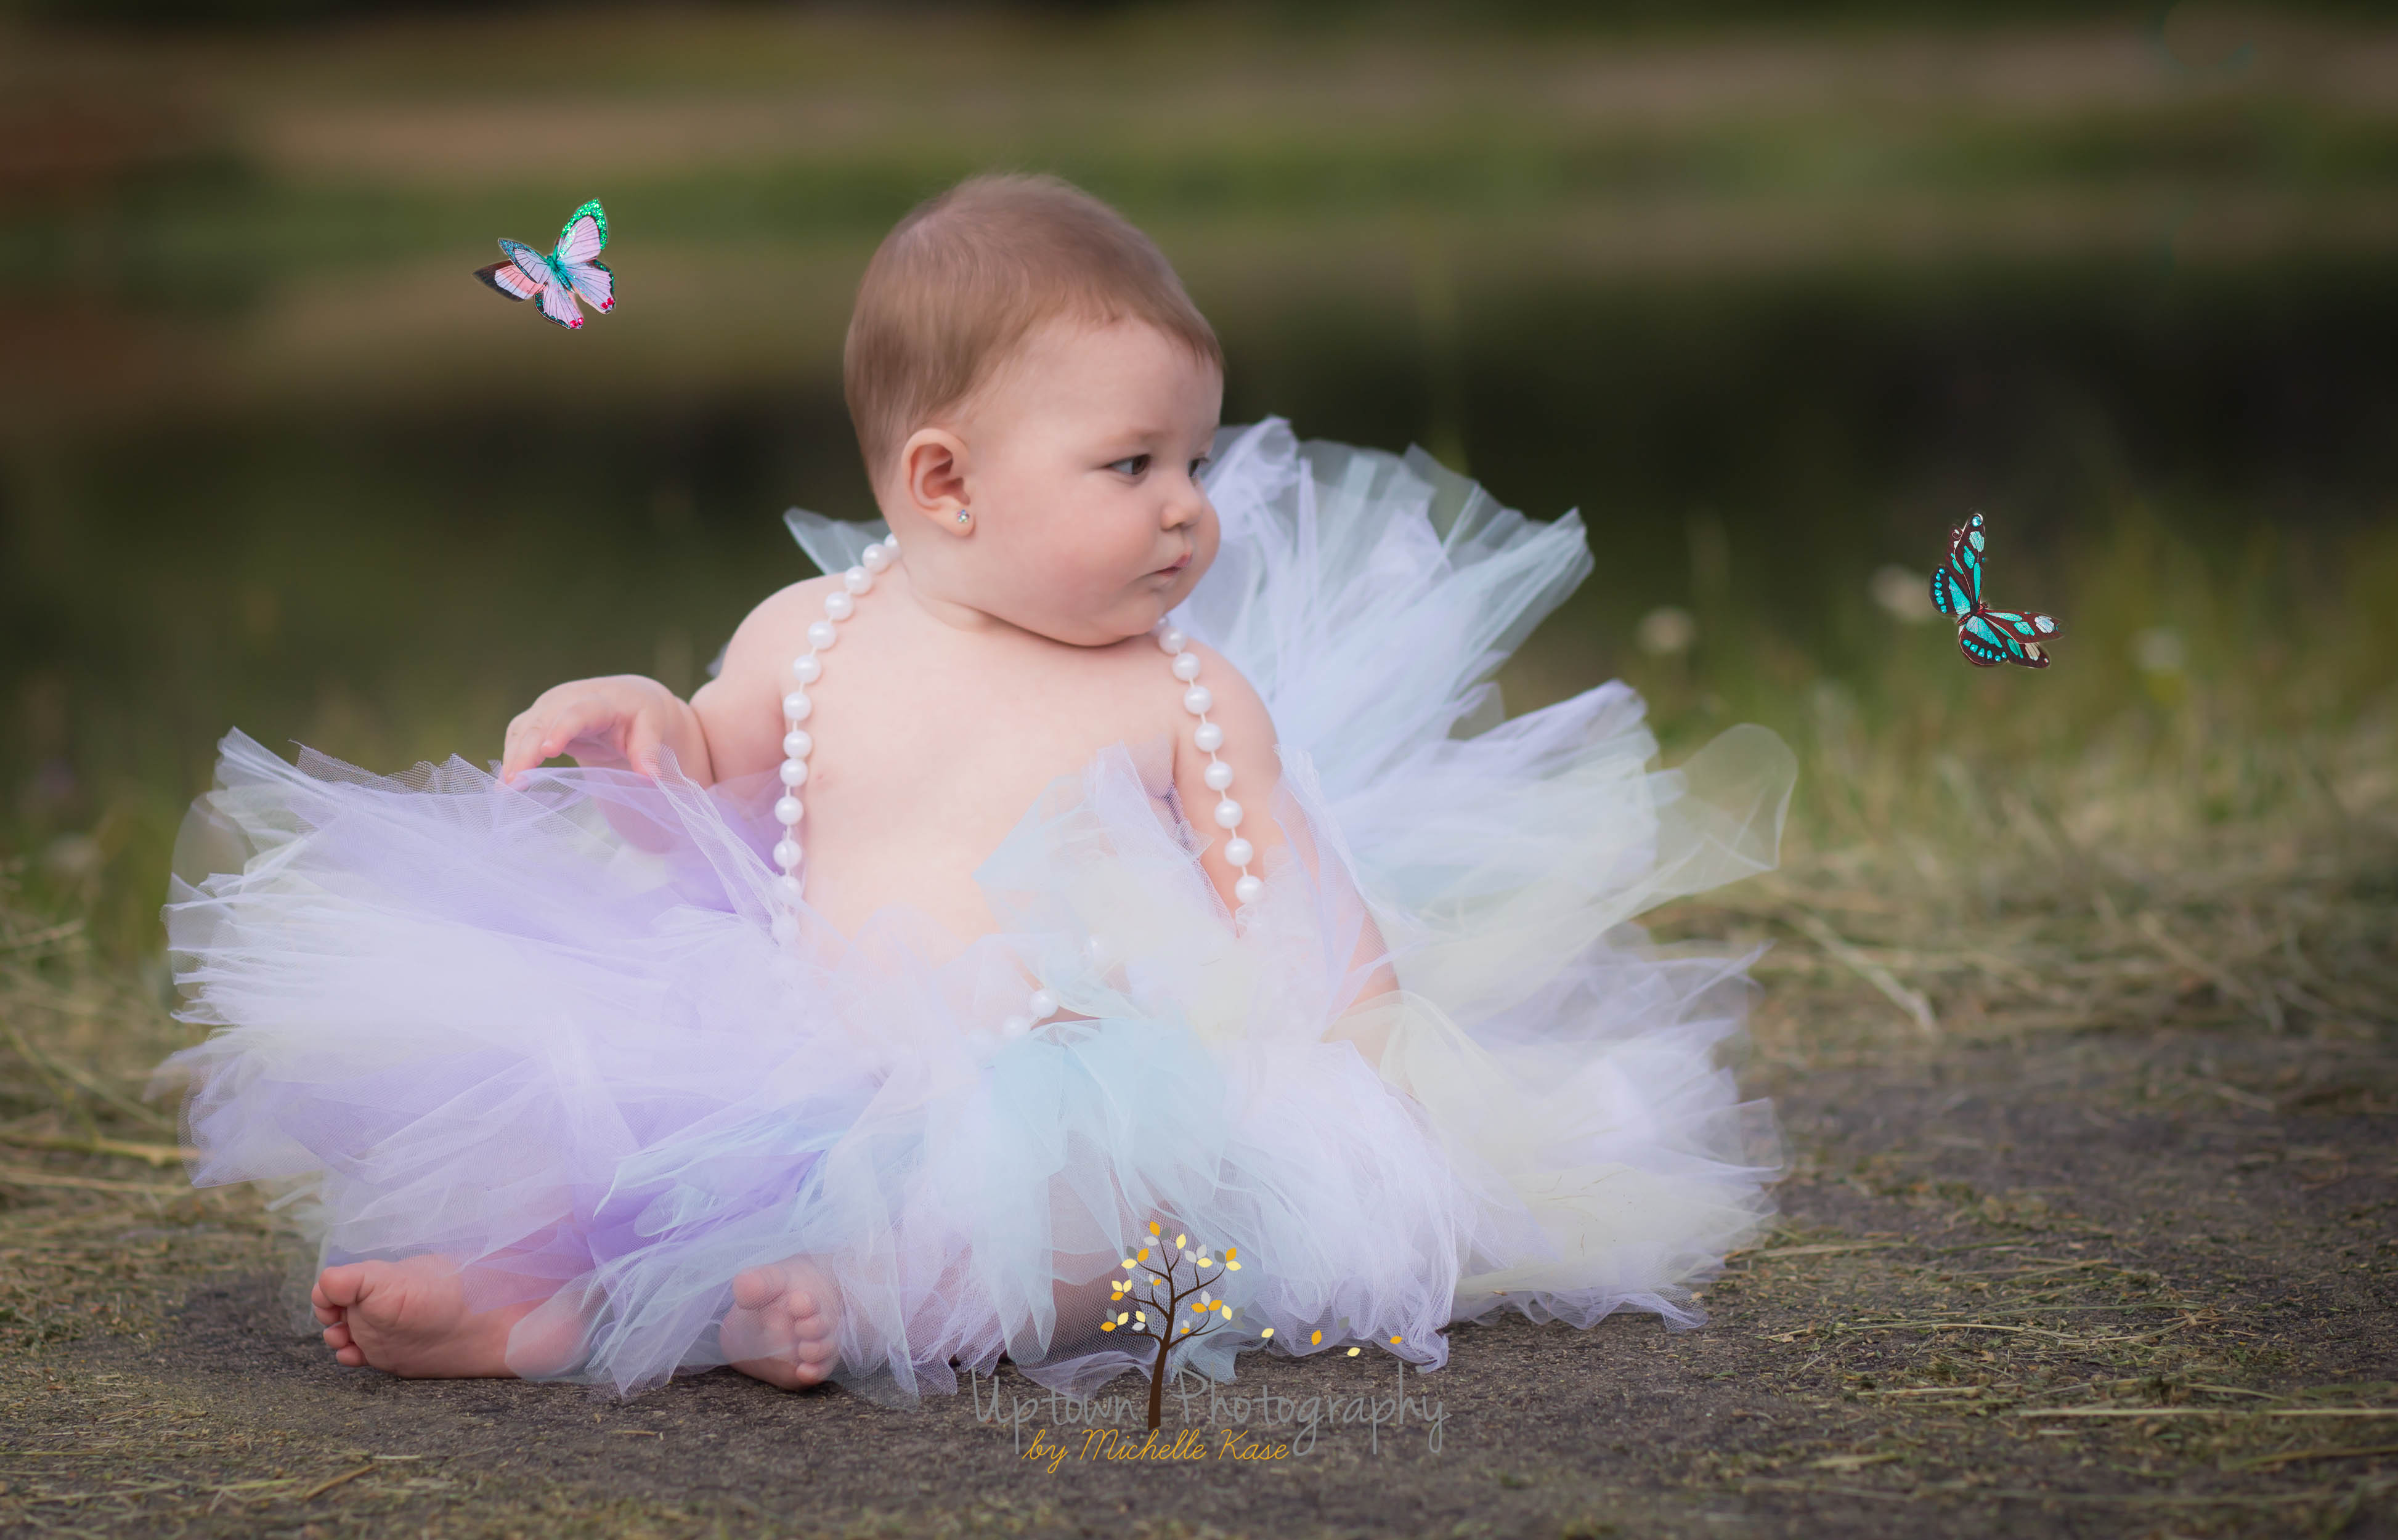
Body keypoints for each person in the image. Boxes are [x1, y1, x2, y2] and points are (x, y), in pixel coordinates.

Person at [164, 174, 1794, 1403]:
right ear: (941, 480)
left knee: (1117, 1226)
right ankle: (528, 1308)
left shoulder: (1182, 693)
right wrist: (634, 719)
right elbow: (719, 756)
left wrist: (1378, 1089)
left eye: (1197, 462)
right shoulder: (808, 631)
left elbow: (1290, 897)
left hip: (1069, 1080)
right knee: (605, 1131)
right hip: (800, 1050)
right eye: (1131, 465)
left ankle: (857, 1303)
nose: (1185, 512)